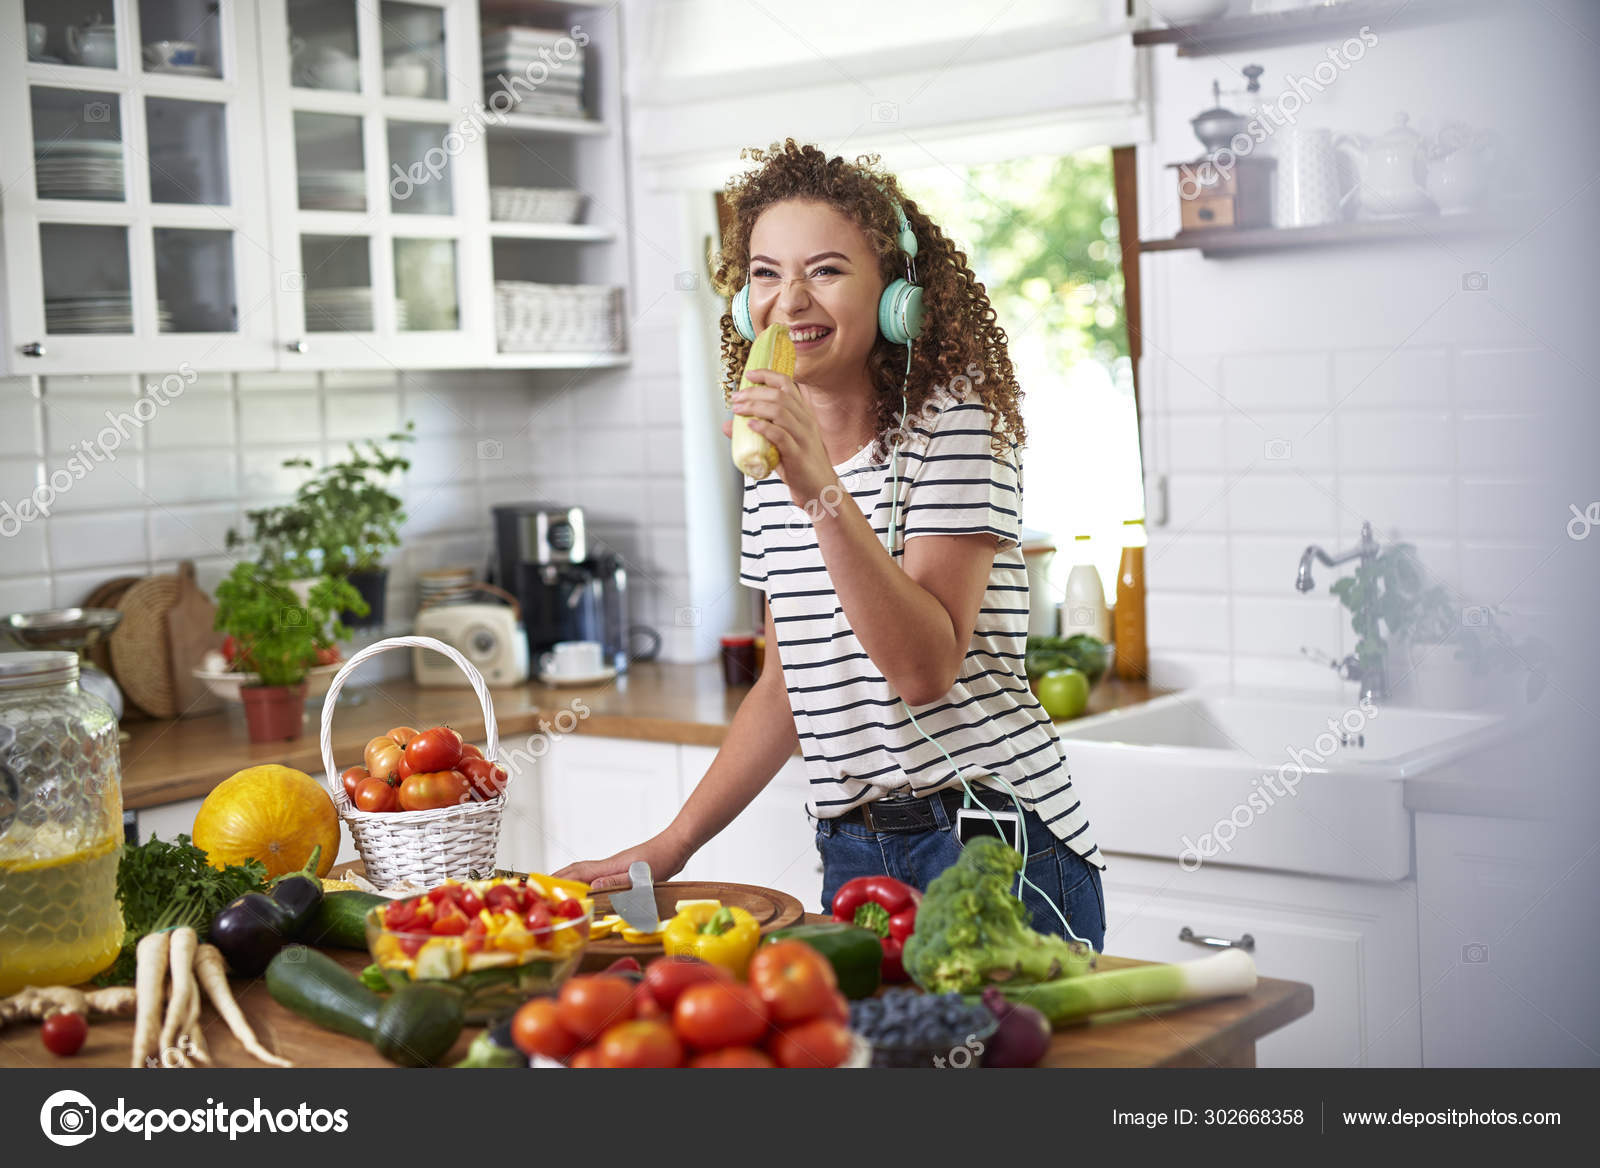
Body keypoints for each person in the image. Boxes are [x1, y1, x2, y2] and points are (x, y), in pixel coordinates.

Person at [556, 139, 1105, 948]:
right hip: (852, 849)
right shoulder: (772, 449)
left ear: (896, 296)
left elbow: (924, 669)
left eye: (826, 270)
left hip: (987, 838)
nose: (789, 301)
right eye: (766, 273)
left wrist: (816, 486)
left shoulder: (955, 425)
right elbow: (786, 684)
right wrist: (672, 845)